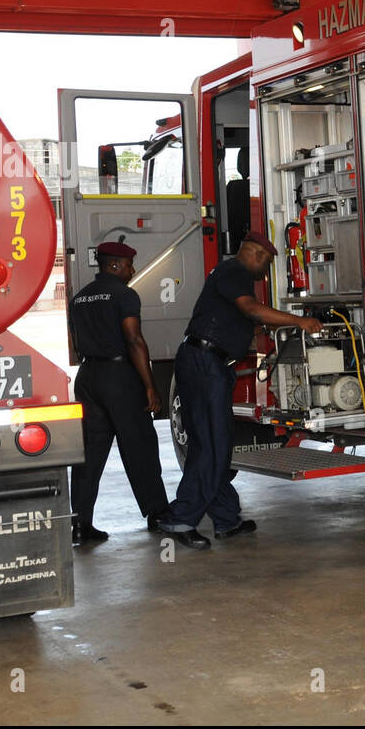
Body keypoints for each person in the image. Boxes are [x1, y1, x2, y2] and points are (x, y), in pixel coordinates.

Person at [157, 230, 322, 549]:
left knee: (212, 443)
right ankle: (180, 518)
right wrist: (300, 322)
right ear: (257, 254)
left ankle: (226, 518)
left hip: (206, 362)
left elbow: (246, 316)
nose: (264, 272)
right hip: (205, 362)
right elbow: (251, 309)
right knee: (212, 445)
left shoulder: (226, 273)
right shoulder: (235, 272)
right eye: (266, 264)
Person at [68, 239, 168, 544]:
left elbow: (75, 343)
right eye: (128, 264)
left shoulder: (79, 298)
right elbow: (134, 339)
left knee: (90, 452)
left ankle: (81, 524)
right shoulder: (124, 295)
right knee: (138, 444)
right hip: (119, 376)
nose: (132, 269)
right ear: (114, 265)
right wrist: (150, 385)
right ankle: (158, 513)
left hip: (87, 377)